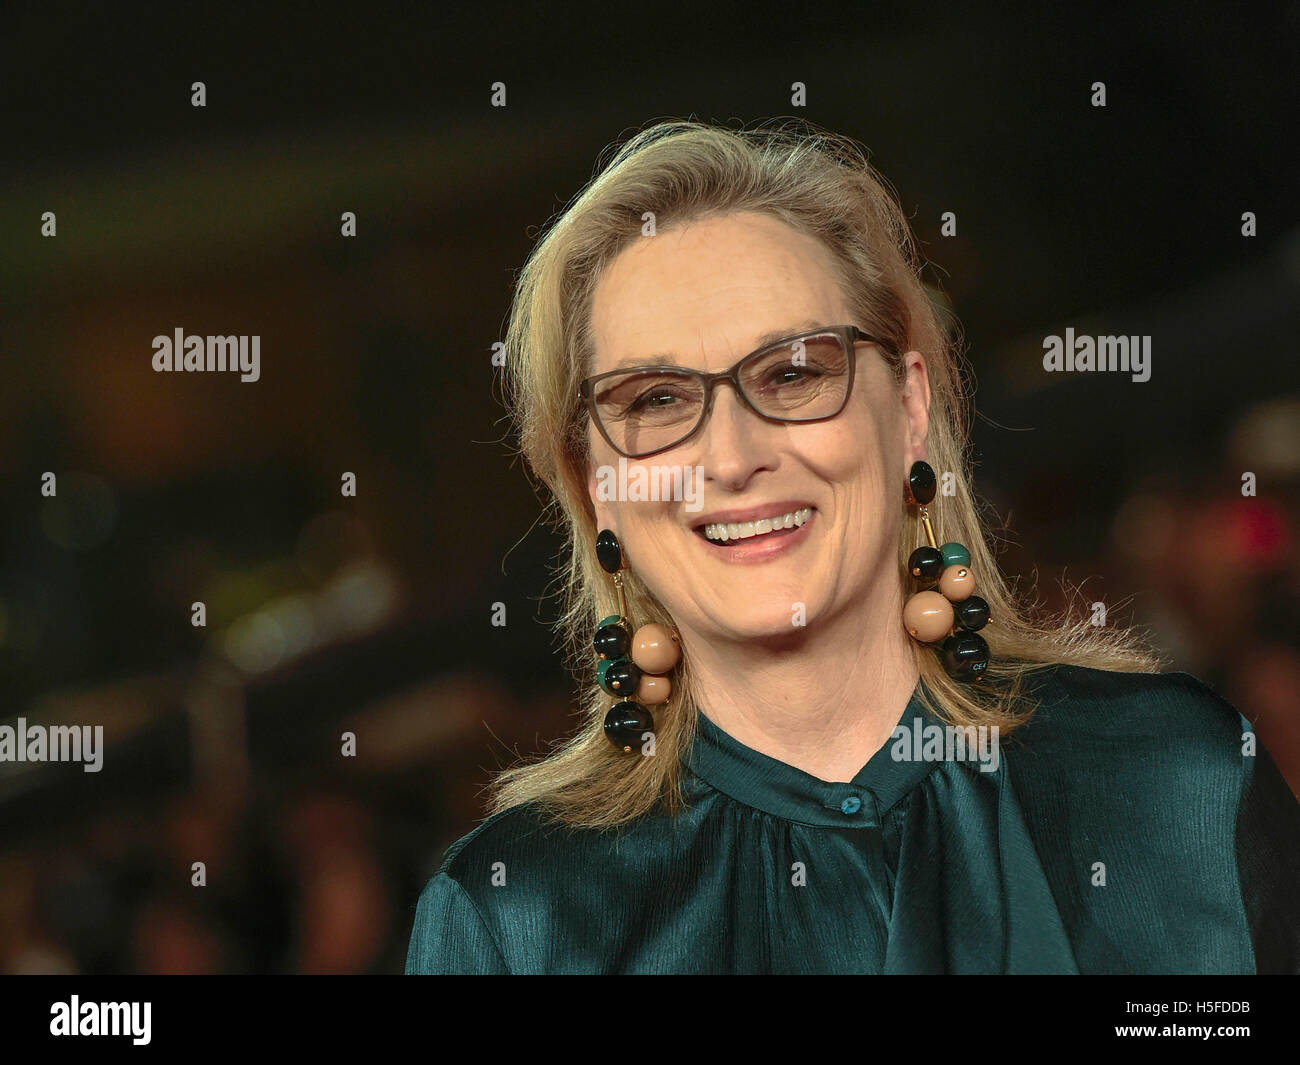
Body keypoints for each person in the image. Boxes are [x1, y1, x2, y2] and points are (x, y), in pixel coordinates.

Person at [406, 119, 1300, 974]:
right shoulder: (514, 918)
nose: (733, 456)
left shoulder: (1178, 782)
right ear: (595, 481)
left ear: (909, 407)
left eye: (793, 373)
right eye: (657, 400)